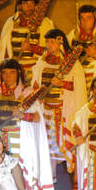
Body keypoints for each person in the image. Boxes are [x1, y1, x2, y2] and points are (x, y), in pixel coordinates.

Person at [0, 58, 56, 190]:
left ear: (18, 73)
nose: (8, 76)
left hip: (20, 140)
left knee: (21, 173)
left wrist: (23, 115)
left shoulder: (27, 93)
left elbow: (37, 118)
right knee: (0, 173)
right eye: (5, 73)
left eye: (12, 72)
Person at [29, 28, 87, 171]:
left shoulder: (72, 63)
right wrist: (38, 91)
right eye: (47, 41)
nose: (48, 45)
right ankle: (50, 173)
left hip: (64, 109)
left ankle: (71, 171)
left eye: (52, 42)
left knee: (66, 141)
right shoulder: (42, 61)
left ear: (60, 43)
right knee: (46, 143)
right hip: (46, 108)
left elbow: (78, 86)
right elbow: (36, 82)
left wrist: (62, 84)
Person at [0, 0, 52, 68]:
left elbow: (52, 51)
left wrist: (32, 48)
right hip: (16, 70)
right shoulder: (11, 23)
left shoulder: (45, 23)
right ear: (19, 6)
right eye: (25, 3)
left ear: (36, 5)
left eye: (32, 3)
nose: (29, 6)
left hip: (36, 70)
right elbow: (4, 51)